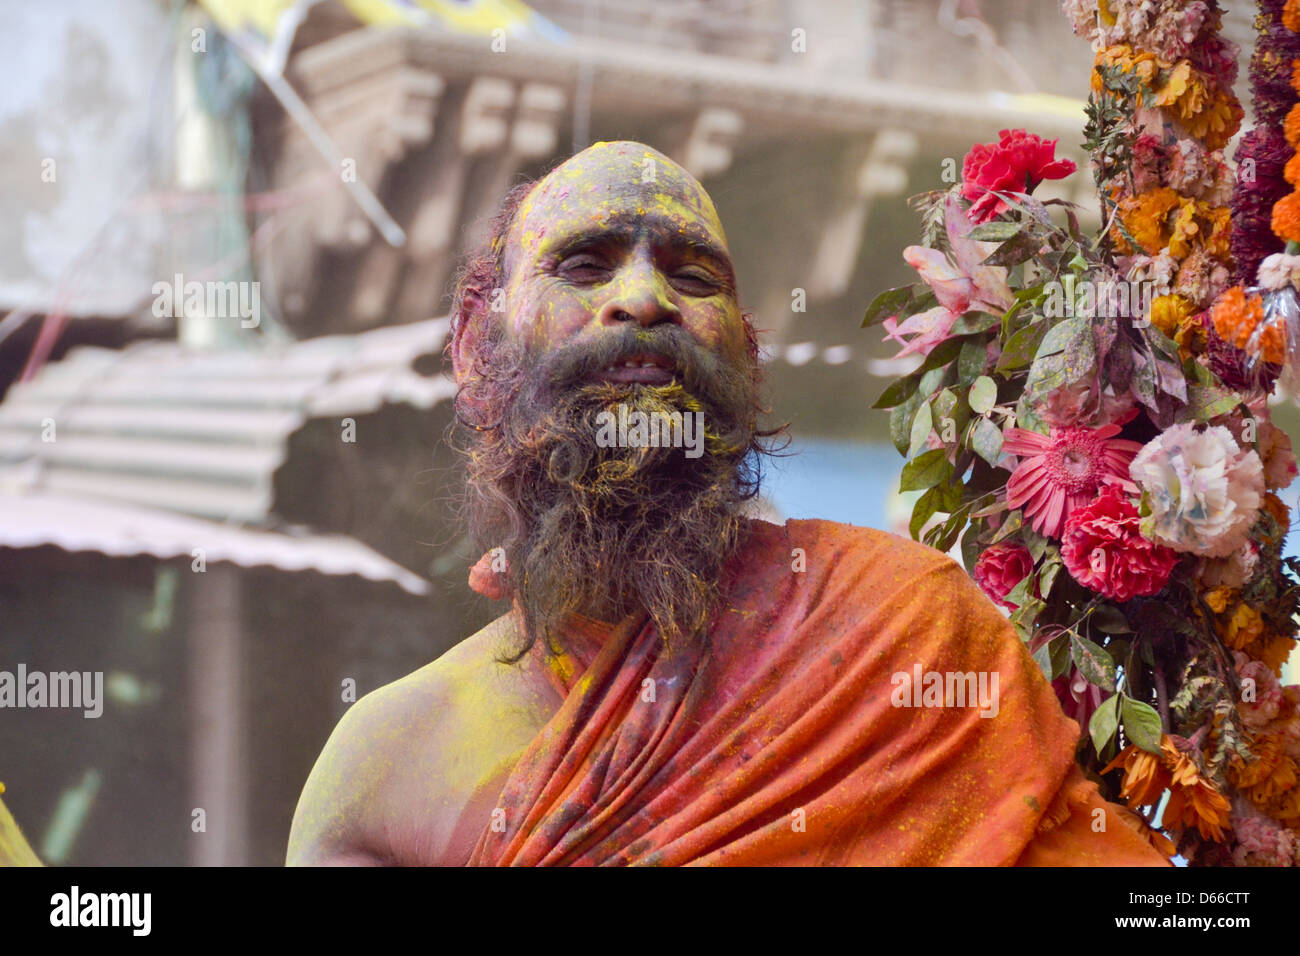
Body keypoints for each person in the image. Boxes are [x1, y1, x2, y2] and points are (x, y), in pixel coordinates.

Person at [286, 140, 1170, 866]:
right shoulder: (385, 771)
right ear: (478, 352)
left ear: (746, 364)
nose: (642, 298)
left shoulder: (910, 631)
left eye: (694, 276)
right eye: (585, 264)